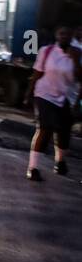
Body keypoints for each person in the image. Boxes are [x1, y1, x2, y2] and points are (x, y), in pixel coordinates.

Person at [25, 24, 81, 181]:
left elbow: (79, 78)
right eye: (61, 34)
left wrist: (75, 60)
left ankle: (60, 161)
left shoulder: (77, 53)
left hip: (67, 97)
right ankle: (33, 168)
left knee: (63, 132)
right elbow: (37, 73)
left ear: (72, 37)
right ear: (56, 35)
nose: (64, 37)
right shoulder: (46, 51)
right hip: (44, 94)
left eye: (67, 34)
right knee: (45, 128)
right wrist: (28, 93)